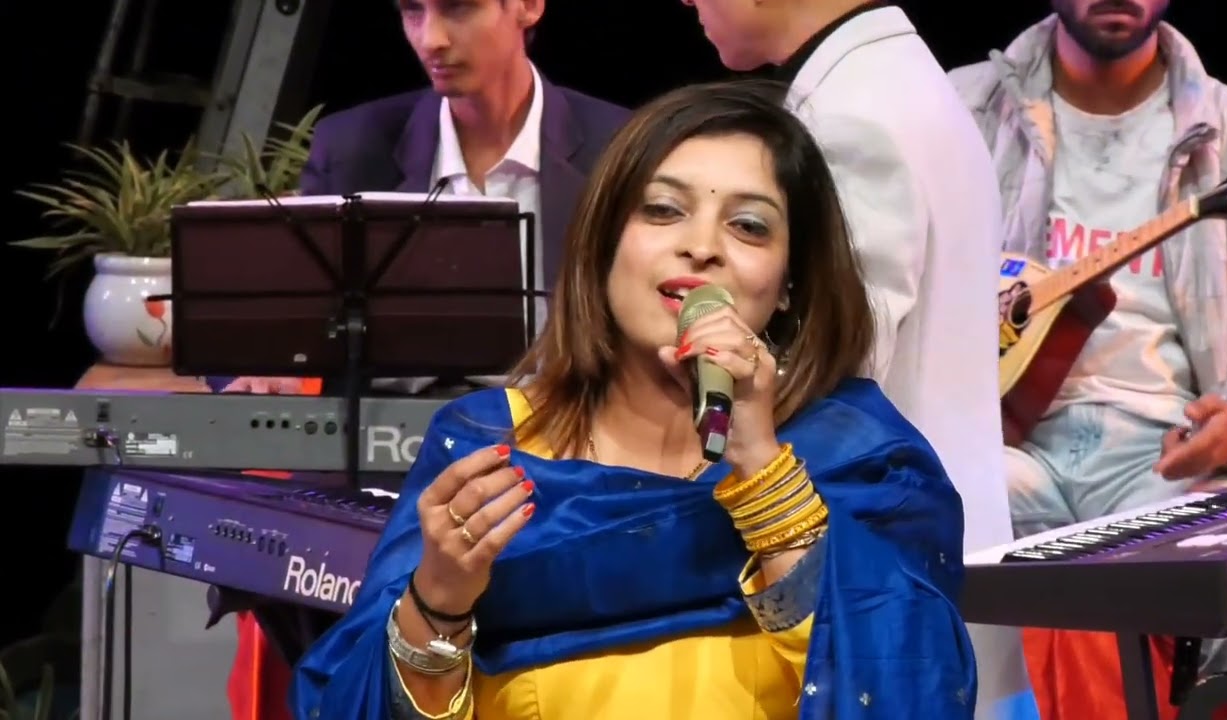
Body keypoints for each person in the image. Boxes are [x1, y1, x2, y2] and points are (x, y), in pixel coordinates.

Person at [292, 79, 977, 720]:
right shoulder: (490, 449)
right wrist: (439, 601)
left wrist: (765, 472)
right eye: (664, 210)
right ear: (604, 244)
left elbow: (901, 691)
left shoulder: (856, 460)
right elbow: (352, 699)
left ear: (788, 284)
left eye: (748, 226)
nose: (701, 247)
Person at [679, 1, 1036, 717]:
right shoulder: (902, 79)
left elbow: (832, 372)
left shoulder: (855, 116)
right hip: (934, 573)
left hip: (883, 589)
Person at [949, 2, 1227, 717]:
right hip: (1005, 446)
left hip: (1164, 456)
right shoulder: (961, 112)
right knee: (916, 513)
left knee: (1224, 576)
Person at [214, 0, 629, 394]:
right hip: (385, 425)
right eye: (412, 10)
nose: (431, 39)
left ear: (529, 6)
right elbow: (283, 326)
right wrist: (277, 365)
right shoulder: (352, 147)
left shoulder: (617, 145)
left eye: (458, 8)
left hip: (563, 423)